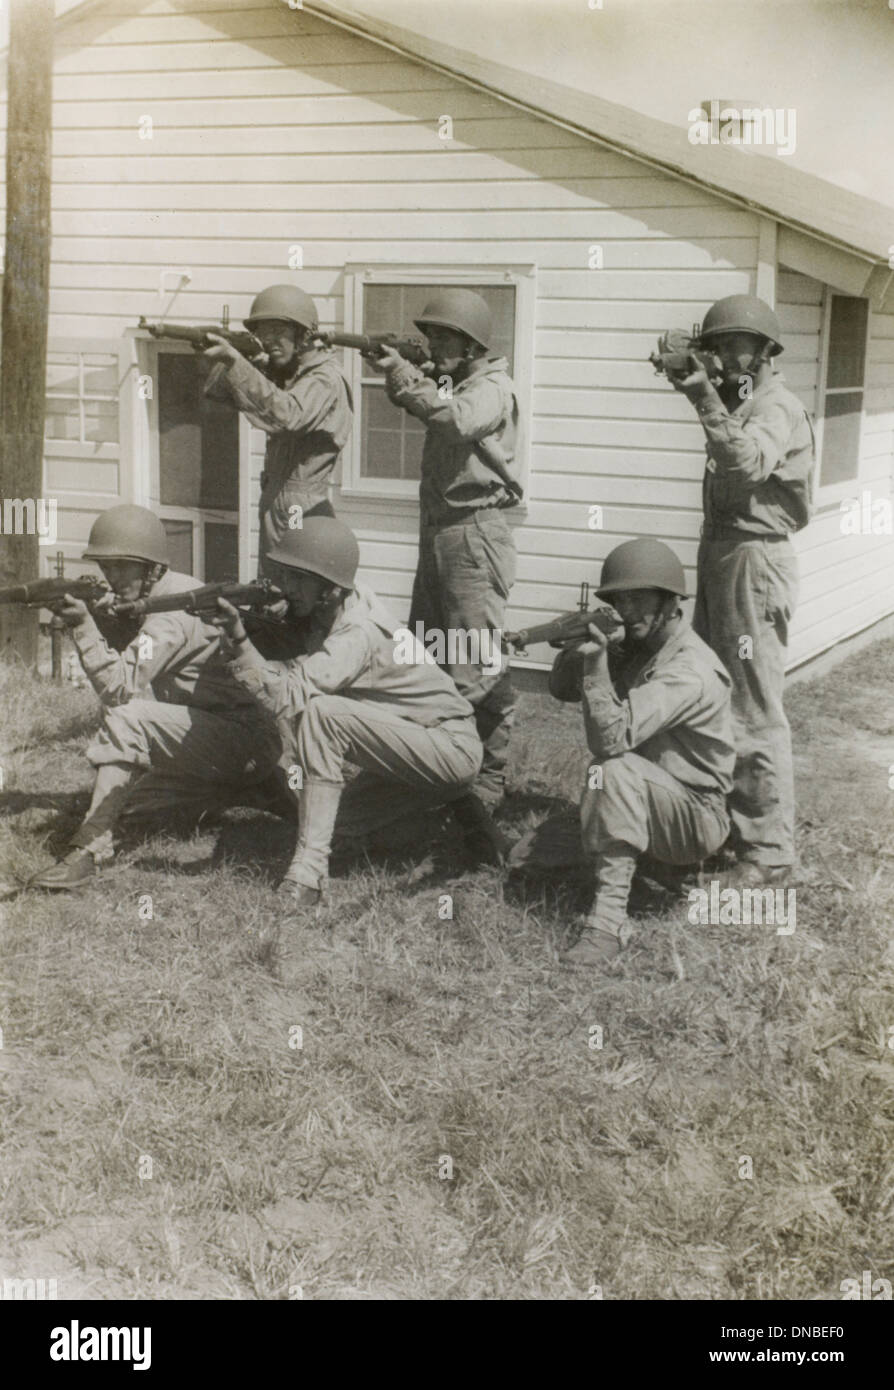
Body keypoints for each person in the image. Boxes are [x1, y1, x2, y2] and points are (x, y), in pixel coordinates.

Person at [212, 516, 484, 907]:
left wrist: (240, 640)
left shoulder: (357, 634)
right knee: (328, 824)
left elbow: (286, 697)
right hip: (414, 749)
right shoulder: (343, 602)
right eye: (287, 576)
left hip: (448, 747)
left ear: (331, 590)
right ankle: (453, 816)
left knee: (322, 714)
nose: (288, 588)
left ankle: (307, 877)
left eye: (300, 580)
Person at [29, 505, 283, 890]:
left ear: (150, 567)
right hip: (217, 737)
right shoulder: (172, 589)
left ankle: (88, 851)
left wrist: (83, 626)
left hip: (240, 737)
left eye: (121, 567)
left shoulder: (171, 614)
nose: (111, 577)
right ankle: (246, 790)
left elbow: (118, 688)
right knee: (126, 808)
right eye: (106, 566)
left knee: (125, 717)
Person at [667, 294, 814, 884]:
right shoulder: (744, 402)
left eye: (735, 346)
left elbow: (748, 464)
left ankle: (770, 854)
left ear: (765, 351)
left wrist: (704, 394)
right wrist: (698, 384)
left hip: (755, 560)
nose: (726, 357)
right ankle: (725, 826)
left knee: (753, 707)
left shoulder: (776, 407)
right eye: (717, 345)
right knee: (713, 692)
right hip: (724, 555)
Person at [375, 288, 521, 864]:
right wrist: (404, 373)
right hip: (440, 531)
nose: (434, 346)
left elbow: (456, 420)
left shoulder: (489, 388)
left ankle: (475, 796)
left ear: (473, 344)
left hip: (471, 534)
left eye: (444, 338)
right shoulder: (454, 381)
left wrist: (404, 374)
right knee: (434, 658)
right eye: (429, 338)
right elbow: (437, 401)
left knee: (473, 668)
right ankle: (457, 786)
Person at [549, 539, 735, 967]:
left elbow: (610, 741)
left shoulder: (690, 670)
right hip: (650, 797)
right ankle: (653, 870)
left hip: (694, 814)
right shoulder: (639, 644)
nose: (627, 609)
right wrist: (577, 645)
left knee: (610, 771)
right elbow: (560, 691)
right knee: (529, 859)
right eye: (619, 599)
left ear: (671, 602)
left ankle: (609, 922)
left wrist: (597, 663)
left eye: (639, 598)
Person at [203, 283, 353, 565]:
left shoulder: (324, 379)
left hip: (299, 508)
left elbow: (288, 415)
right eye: (261, 332)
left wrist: (239, 364)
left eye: (278, 331)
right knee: (274, 590)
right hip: (280, 502)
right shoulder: (290, 376)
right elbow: (215, 391)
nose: (268, 340)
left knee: (296, 579)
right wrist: (244, 359)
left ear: (304, 334)